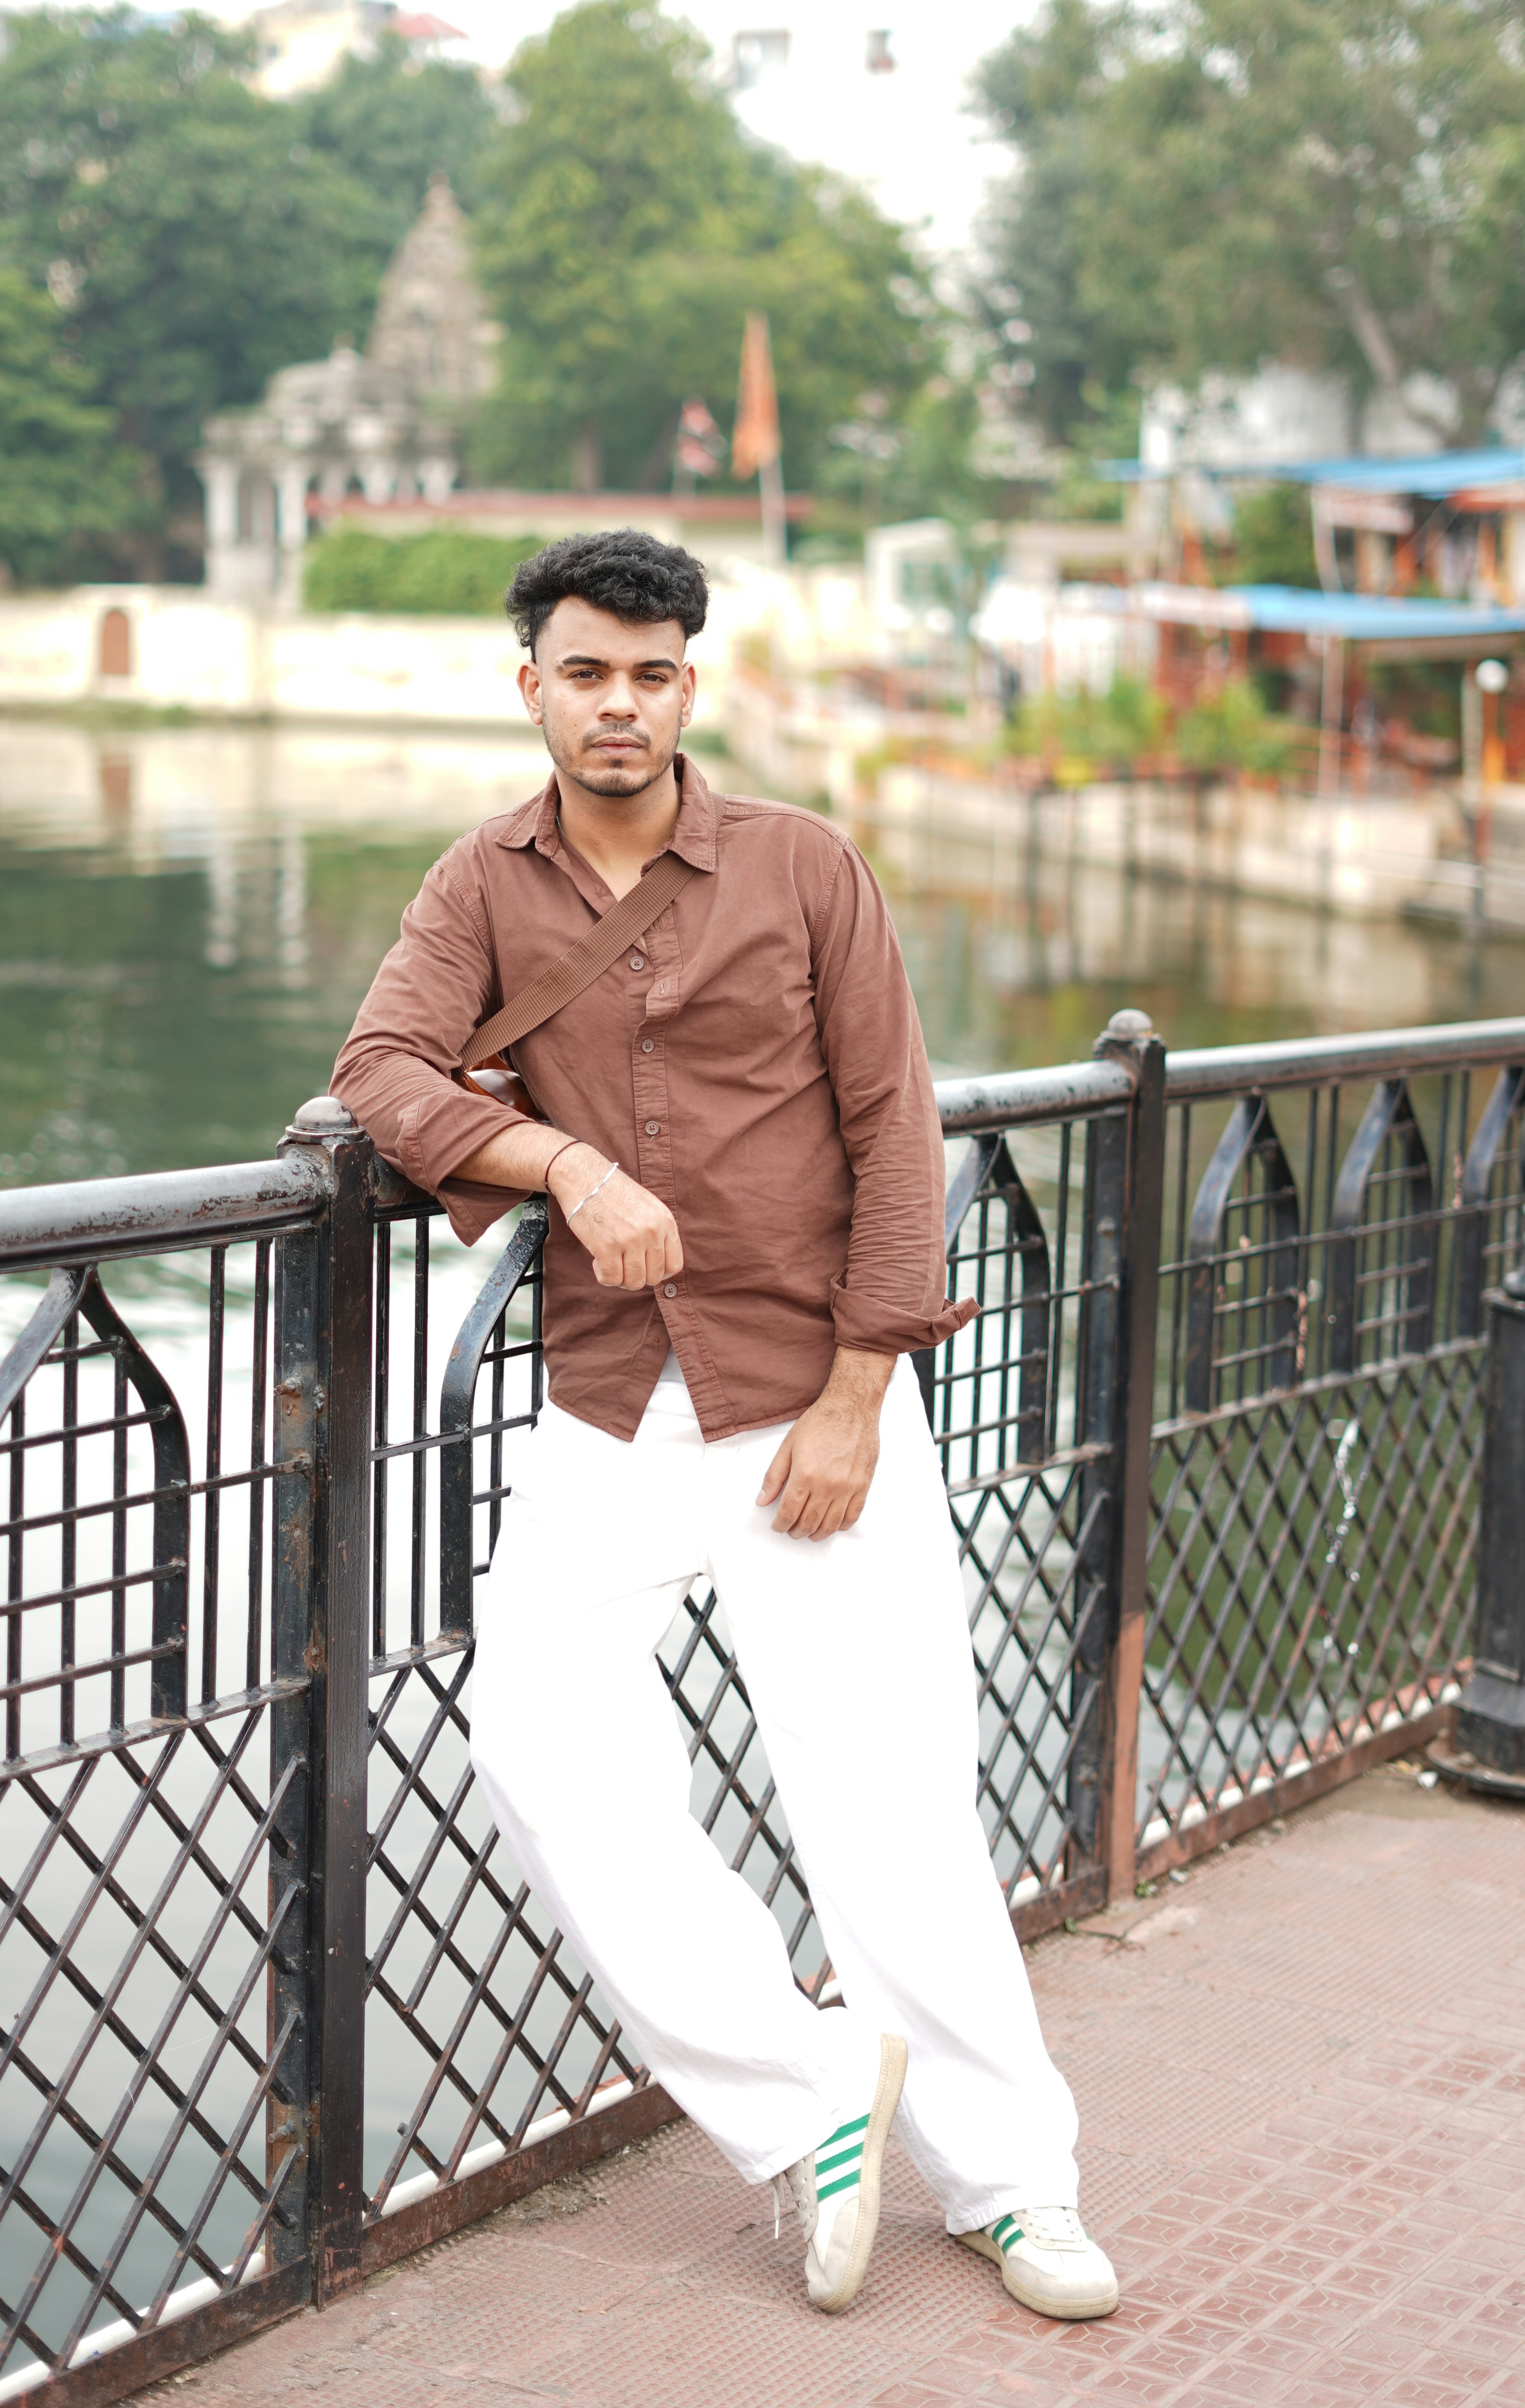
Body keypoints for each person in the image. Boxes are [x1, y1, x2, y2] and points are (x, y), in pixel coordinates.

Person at [331, 530, 1117, 2323]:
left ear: (695, 683)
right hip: (609, 1401)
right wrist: (563, 1162)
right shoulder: (478, 886)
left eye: (654, 672)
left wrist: (858, 1393)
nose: (622, 704)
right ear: (529, 682)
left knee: (890, 1811)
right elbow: (381, 1070)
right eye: (588, 672)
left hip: (804, 1398)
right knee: (536, 1745)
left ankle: (1015, 2190)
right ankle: (804, 2094)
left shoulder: (803, 866)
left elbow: (896, 1136)